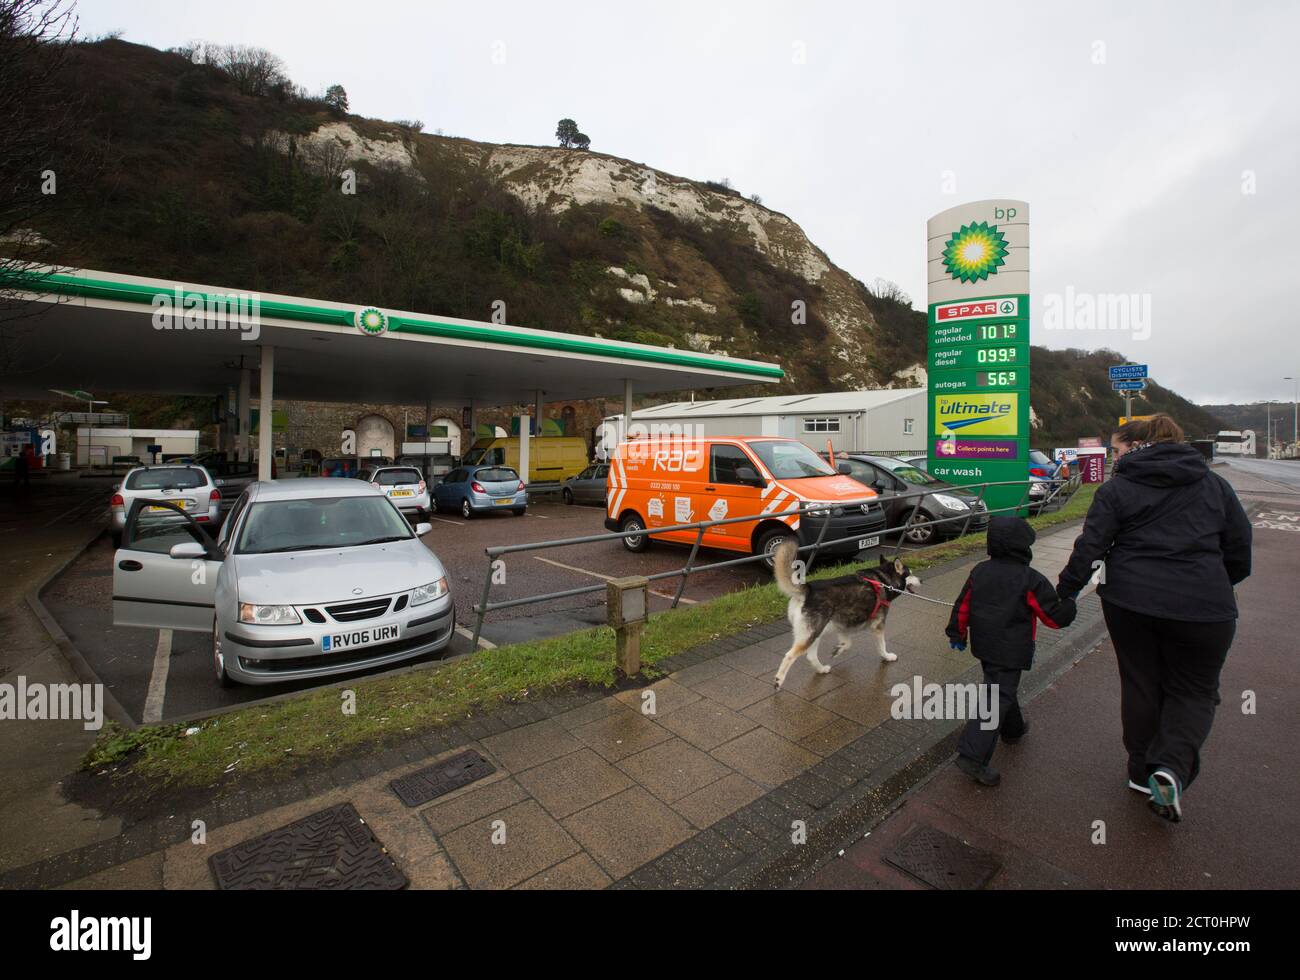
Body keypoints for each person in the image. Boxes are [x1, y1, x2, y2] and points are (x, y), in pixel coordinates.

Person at [1057, 414, 1251, 823]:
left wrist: (1064, 593)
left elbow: (1090, 547)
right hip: (1204, 608)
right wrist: (1214, 582)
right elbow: (1239, 547)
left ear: (1136, 445)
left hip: (1131, 602)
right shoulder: (1214, 485)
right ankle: (1172, 767)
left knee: (1141, 681)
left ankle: (1141, 772)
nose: (1114, 456)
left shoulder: (1118, 489)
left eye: (1117, 449)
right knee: (1193, 691)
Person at [946, 516, 1077, 786]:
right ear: (1023, 546)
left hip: (984, 646)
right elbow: (1053, 617)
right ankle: (972, 755)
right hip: (1011, 650)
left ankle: (1013, 729)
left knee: (1000, 688)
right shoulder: (1030, 579)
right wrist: (1070, 604)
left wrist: (957, 633)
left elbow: (963, 605)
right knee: (997, 695)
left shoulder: (979, 571)